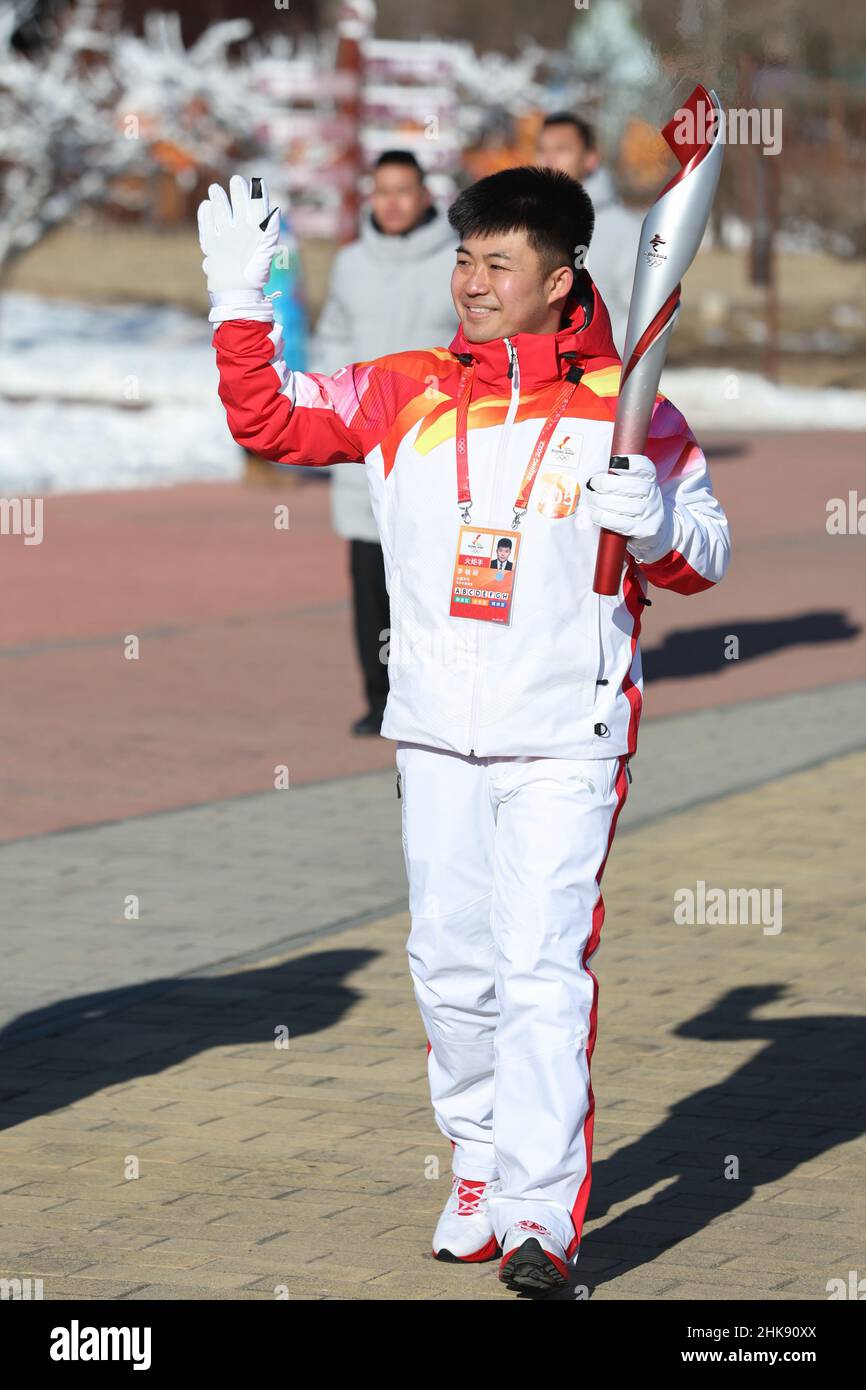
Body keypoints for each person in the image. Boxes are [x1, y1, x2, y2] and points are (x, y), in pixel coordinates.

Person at [197, 167, 730, 1294]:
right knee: (448, 967)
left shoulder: (627, 406)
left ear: (559, 275)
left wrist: (653, 525)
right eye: (463, 259)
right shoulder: (403, 389)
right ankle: (479, 1158)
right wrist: (238, 303)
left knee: (541, 971)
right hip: (435, 726)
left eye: (497, 263)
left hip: (566, 735)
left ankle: (543, 1218)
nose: (471, 281)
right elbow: (272, 418)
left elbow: (701, 559)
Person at [310, 150, 457, 736]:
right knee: (370, 585)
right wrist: (338, 402)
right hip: (364, 449)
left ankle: (434, 701)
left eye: (404, 190)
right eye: (382, 190)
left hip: (435, 449)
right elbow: (332, 337)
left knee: (433, 584)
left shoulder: (457, 260)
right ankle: (380, 700)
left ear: (425, 195)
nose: (392, 202)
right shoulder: (350, 264)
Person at [536, 112, 643, 355]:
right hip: (532, 383)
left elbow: (653, 315)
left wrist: (592, 354)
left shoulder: (625, 230)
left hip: (600, 380)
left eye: (562, 150)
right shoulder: (525, 225)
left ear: (590, 158)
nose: (549, 159)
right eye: (543, 150)